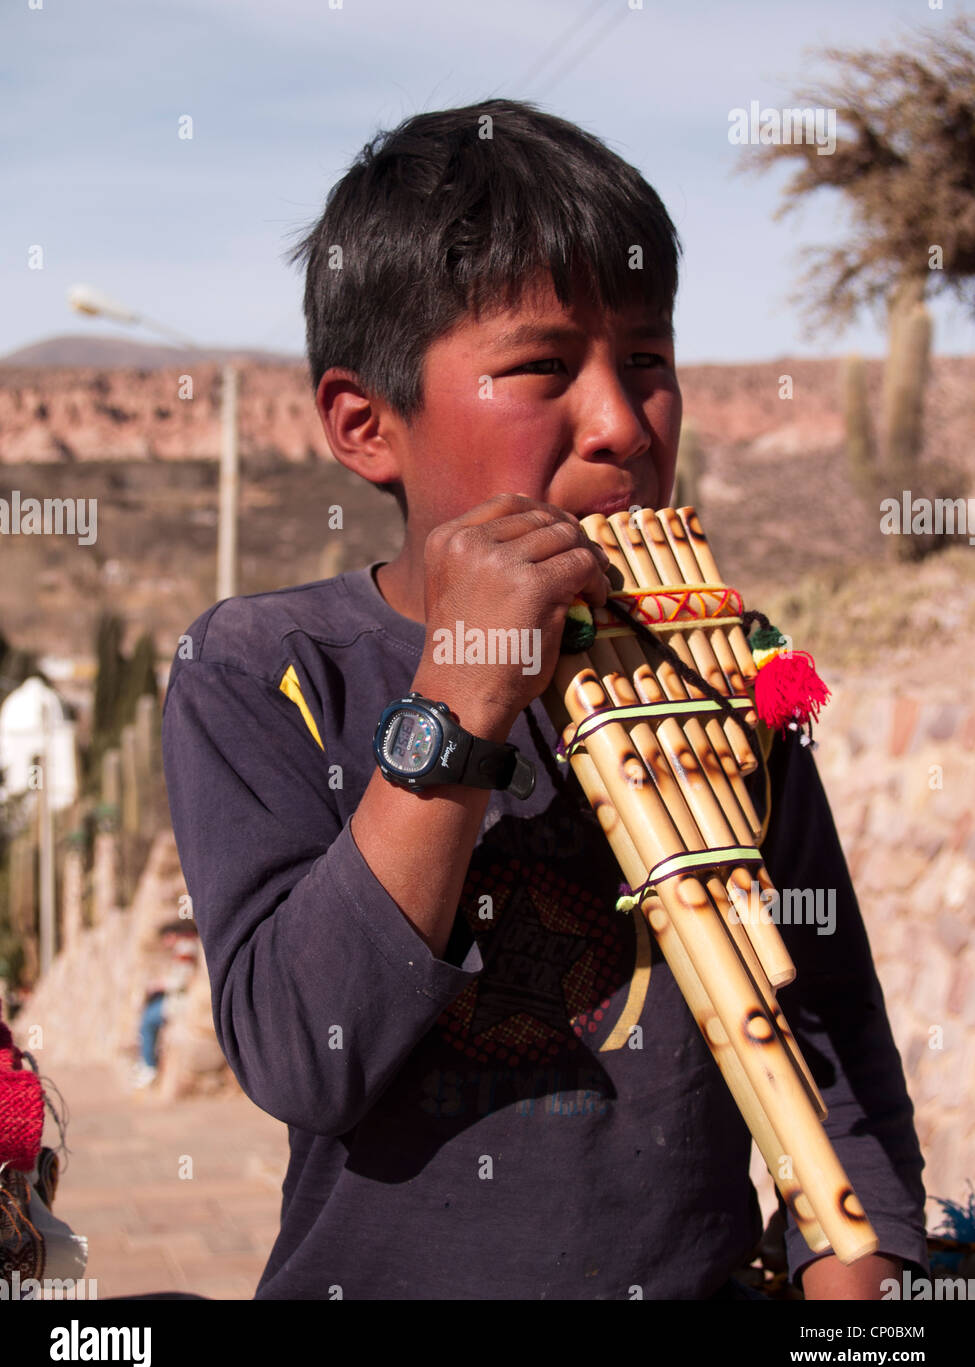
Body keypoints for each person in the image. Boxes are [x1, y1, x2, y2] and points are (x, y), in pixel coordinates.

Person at [160, 99, 927, 1300]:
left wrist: (863, 1265)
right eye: (542, 370)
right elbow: (307, 1056)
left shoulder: (726, 670)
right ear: (367, 426)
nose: (622, 427)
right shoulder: (266, 667)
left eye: (650, 361)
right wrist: (460, 694)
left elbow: (824, 1024)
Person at [133, 922, 199, 1089]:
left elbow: (181, 980)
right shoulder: (183, 949)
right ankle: (146, 1060)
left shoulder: (186, 949)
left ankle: (148, 1066)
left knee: (147, 1021)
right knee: (147, 1013)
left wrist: (159, 984)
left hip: (180, 1003)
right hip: (175, 999)